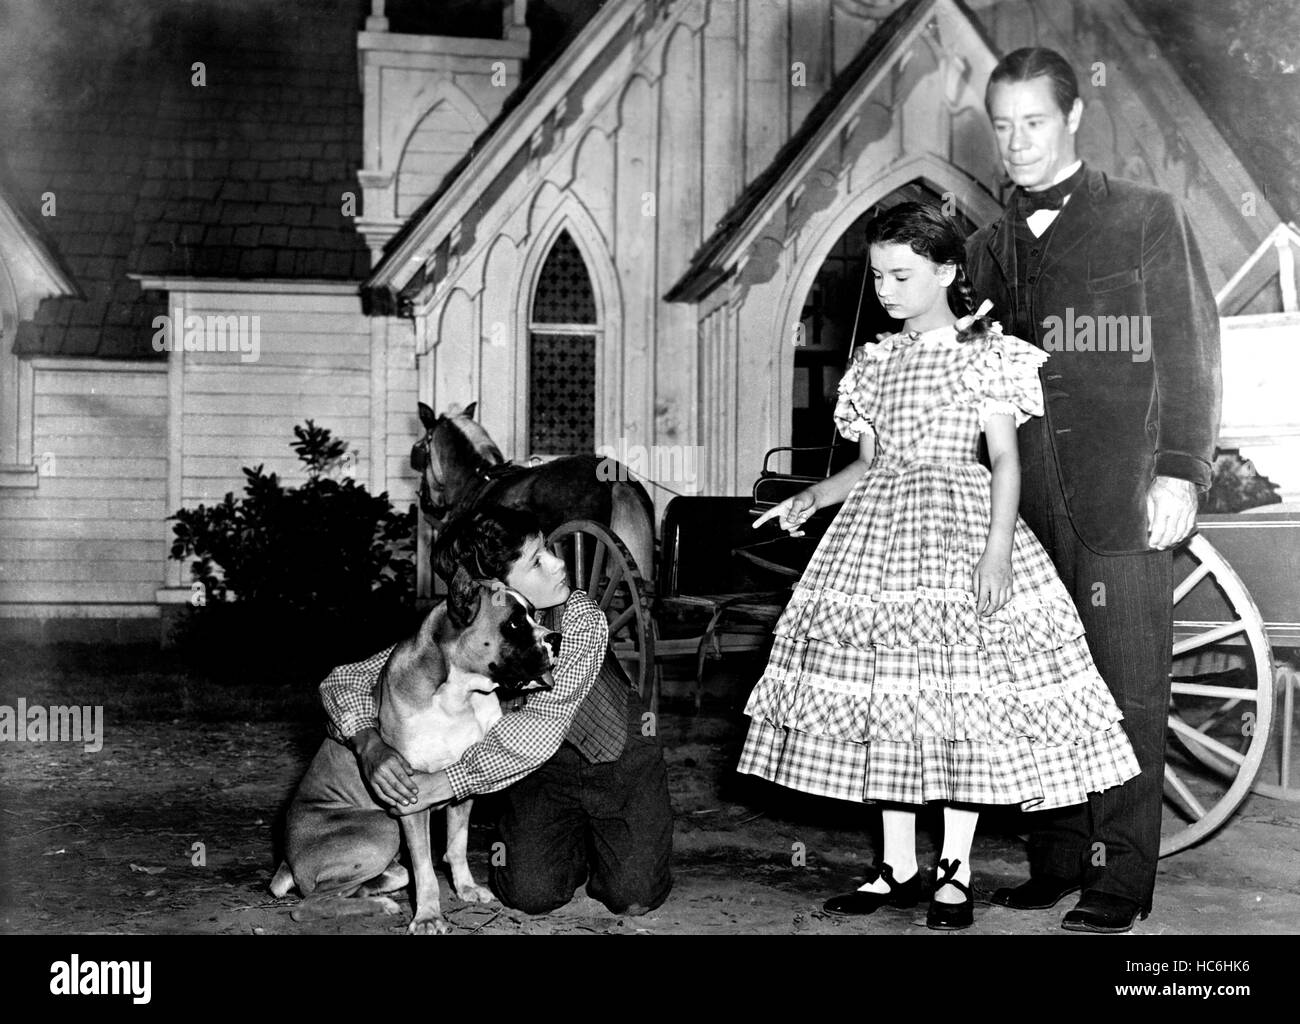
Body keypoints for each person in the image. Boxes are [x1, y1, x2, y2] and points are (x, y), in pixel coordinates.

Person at [737, 200, 1140, 931]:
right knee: (888, 697)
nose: (885, 290)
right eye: (878, 276)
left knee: (958, 701)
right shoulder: (873, 362)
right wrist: (810, 498)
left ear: (947, 271)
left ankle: (954, 868)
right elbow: (867, 464)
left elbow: (1007, 462)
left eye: (901, 275)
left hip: (961, 527)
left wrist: (994, 554)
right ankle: (895, 865)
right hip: (878, 536)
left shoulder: (988, 352)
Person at [966, 47, 1221, 933]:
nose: (1017, 143)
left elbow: (1189, 352)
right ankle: (1056, 863)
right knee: (1037, 688)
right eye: (1002, 127)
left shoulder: (1149, 217)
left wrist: (1183, 469)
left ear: (1075, 118)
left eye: (1034, 123)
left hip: (1124, 496)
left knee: (1127, 692)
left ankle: (1117, 883)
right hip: (1021, 508)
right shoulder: (982, 246)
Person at [319, 504, 673, 916]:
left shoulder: (581, 618)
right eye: (537, 561)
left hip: (616, 764)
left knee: (632, 895)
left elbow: (541, 726)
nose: (559, 565)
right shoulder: (469, 630)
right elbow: (344, 680)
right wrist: (368, 742)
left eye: (549, 552)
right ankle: (570, 843)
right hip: (541, 777)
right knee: (529, 894)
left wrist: (439, 785)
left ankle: (612, 843)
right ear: (489, 588)